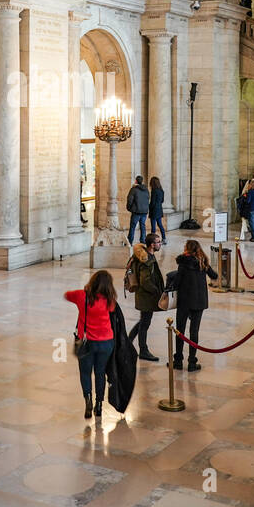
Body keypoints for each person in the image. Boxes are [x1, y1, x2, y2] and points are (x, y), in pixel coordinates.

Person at [66, 271, 118, 417]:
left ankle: (87, 400)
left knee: (85, 373)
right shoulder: (110, 300)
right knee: (100, 373)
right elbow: (112, 310)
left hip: (87, 342)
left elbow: (67, 295)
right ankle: (99, 405)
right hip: (106, 342)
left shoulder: (81, 296)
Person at [173, 240, 218, 372]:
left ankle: (178, 361)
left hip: (184, 301)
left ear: (187, 249)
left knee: (179, 331)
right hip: (199, 301)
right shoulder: (202, 261)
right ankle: (192, 362)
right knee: (194, 331)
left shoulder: (183, 263)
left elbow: (176, 283)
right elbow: (214, 276)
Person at [127, 238, 163, 362]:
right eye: (158, 242)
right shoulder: (146, 260)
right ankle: (143, 350)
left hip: (144, 295)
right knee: (145, 323)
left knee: (144, 321)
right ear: (152, 245)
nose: (160, 244)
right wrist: (158, 292)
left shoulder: (148, 256)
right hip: (146, 296)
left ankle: (128, 342)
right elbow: (145, 281)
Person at [126, 175, 150, 244]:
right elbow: (148, 199)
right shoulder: (146, 189)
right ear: (142, 181)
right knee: (142, 226)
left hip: (136, 211)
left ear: (136, 181)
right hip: (144, 211)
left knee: (133, 226)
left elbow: (129, 199)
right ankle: (143, 240)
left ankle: (130, 241)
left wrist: (129, 208)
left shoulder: (133, 189)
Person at [148, 176, 167, 242]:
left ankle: (152, 240)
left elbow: (152, 202)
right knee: (160, 225)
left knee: (153, 226)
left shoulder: (154, 191)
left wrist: (149, 207)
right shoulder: (161, 191)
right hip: (159, 209)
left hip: (154, 210)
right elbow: (162, 200)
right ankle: (164, 239)